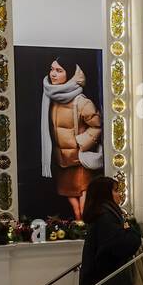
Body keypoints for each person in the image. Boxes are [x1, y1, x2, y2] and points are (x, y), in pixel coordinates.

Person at [42, 59, 102, 220]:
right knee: (69, 194)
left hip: (79, 160)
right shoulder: (51, 97)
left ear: (70, 74)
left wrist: (80, 142)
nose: (53, 74)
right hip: (62, 159)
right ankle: (79, 223)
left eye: (59, 70)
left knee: (83, 194)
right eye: (52, 69)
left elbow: (96, 126)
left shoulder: (82, 102)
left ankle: (82, 225)